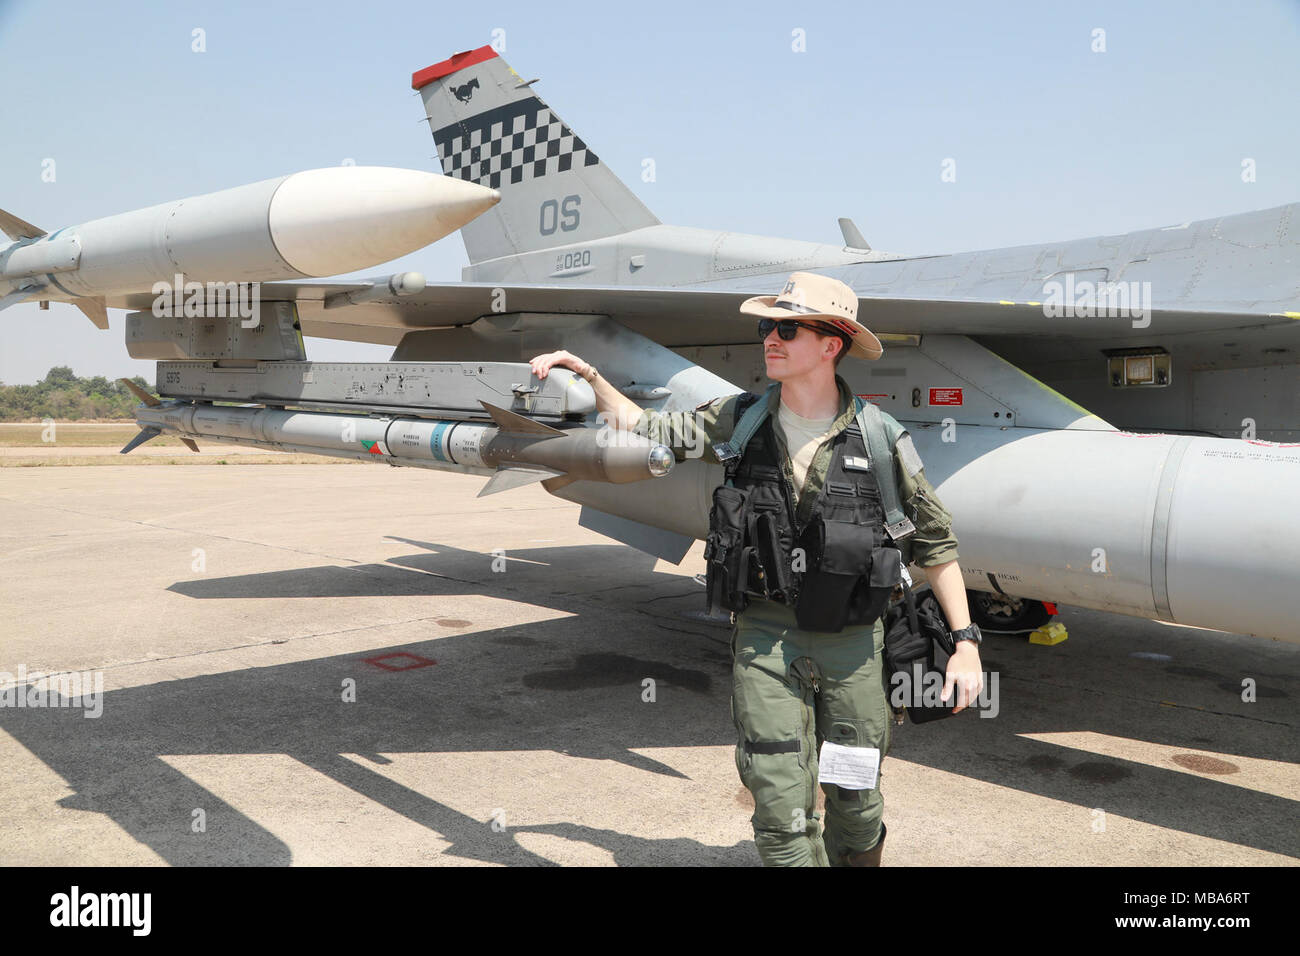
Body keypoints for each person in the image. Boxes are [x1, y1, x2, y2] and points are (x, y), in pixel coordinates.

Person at [528, 271, 984, 866]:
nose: (769, 338)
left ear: (831, 344)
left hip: (853, 644)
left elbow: (935, 542)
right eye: (767, 326)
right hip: (767, 637)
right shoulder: (740, 419)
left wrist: (967, 642)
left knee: (855, 797)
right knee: (779, 802)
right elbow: (644, 426)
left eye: (787, 328)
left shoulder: (880, 438)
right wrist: (585, 374)